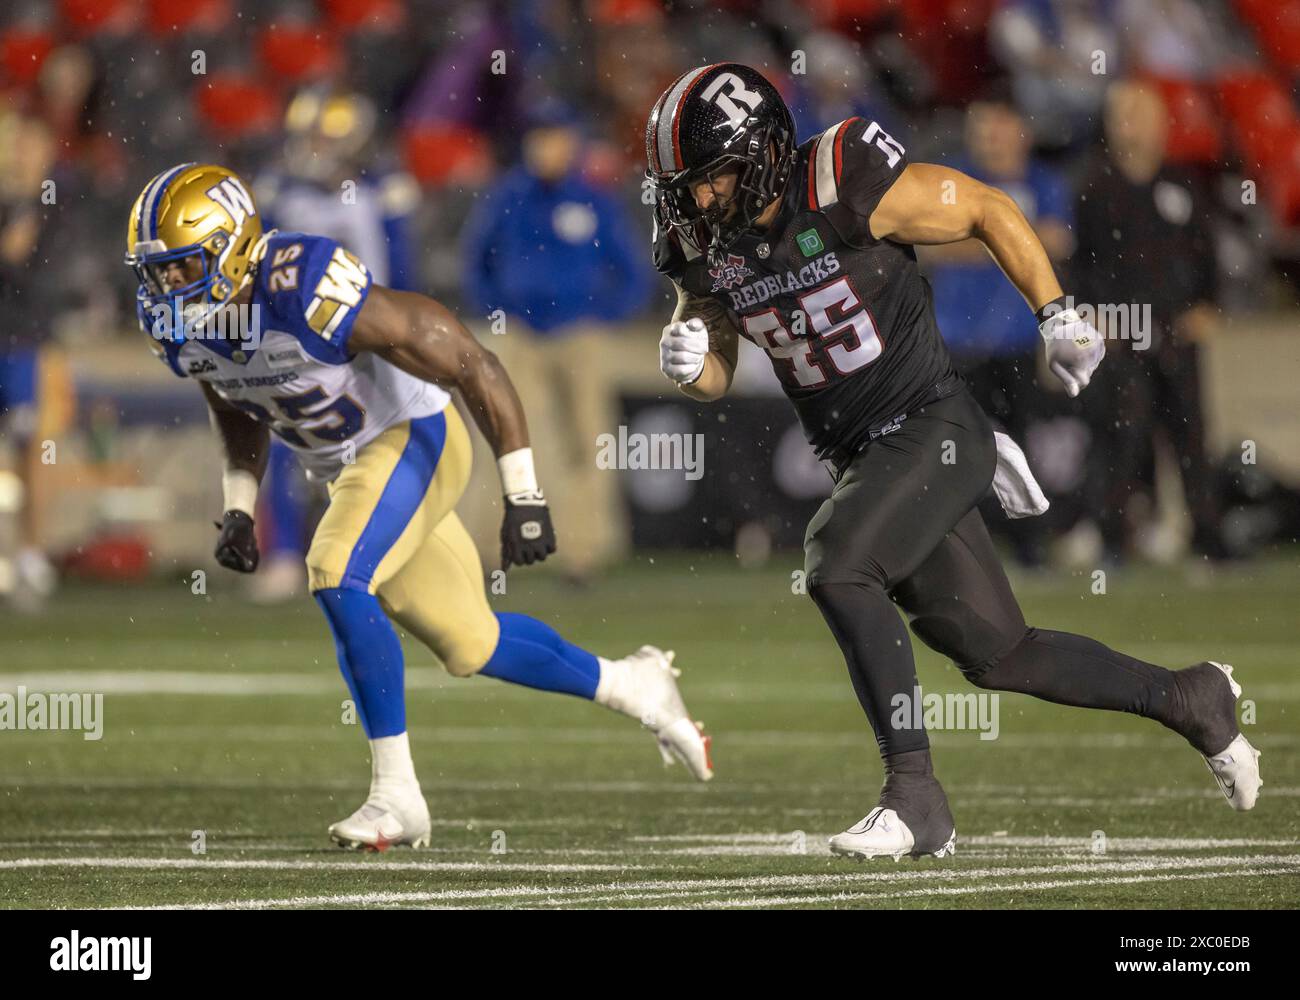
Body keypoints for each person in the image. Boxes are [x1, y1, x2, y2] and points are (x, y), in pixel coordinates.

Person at [645, 63, 1260, 860]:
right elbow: (717, 364)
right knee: (1002, 654)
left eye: (709, 178)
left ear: (762, 152)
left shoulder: (840, 179)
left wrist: (1058, 310)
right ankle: (1192, 698)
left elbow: (985, 207)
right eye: (681, 185)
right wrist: (690, 362)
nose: (694, 200)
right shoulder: (701, 241)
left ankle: (915, 797)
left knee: (837, 565)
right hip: (863, 455)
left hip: (931, 423)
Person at [125, 162, 712, 849]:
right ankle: (635, 685)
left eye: (181, 268)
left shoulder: (301, 284)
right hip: (348, 474)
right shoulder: (182, 326)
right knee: (473, 644)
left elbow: (471, 362)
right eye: (157, 272)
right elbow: (232, 394)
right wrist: (240, 502)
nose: (167, 288)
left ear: (232, 246)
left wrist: (523, 493)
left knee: (337, 571)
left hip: (410, 438)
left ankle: (396, 797)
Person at [462, 105, 652, 580]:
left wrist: (602, 313)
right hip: (520, 334)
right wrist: (498, 310)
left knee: (587, 439)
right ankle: (489, 548)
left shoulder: (592, 199)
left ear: (572, 144)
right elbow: (475, 260)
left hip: (578, 334)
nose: (549, 149)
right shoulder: (507, 197)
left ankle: (584, 552)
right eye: (541, 139)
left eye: (557, 139)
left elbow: (632, 270)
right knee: (503, 435)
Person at [250, 88, 422, 603]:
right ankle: (283, 554)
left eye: (333, 136)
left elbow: (402, 267)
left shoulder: (384, 189)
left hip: (369, 332)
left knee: (384, 447)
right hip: (296, 338)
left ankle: (384, 556)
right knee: (285, 445)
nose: (324, 147)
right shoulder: (278, 190)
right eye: (317, 136)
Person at [1074, 79, 1226, 562]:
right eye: (1124, 113)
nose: (1133, 124)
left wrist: (1208, 305)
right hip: (1123, 327)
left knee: (1191, 435)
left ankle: (1209, 540)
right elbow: (1081, 262)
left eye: (1143, 113)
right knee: (1122, 436)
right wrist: (1092, 316)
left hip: (1177, 327)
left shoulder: (1182, 184)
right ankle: (1115, 540)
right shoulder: (1094, 187)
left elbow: (1207, 252)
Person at [924, 86, 1074, 566]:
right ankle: (957, 550)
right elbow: (928, 246)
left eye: (998, 126)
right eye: (981, 128)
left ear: (1021, 132)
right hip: (956, 339)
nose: (990, 138)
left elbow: (1061, 241)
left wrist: (977, 233)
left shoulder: (1045, 182)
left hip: (1017, 339)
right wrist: (1012, 239)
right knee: (955, 446)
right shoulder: (953, 179)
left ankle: (1030, 545)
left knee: (1019, 445)